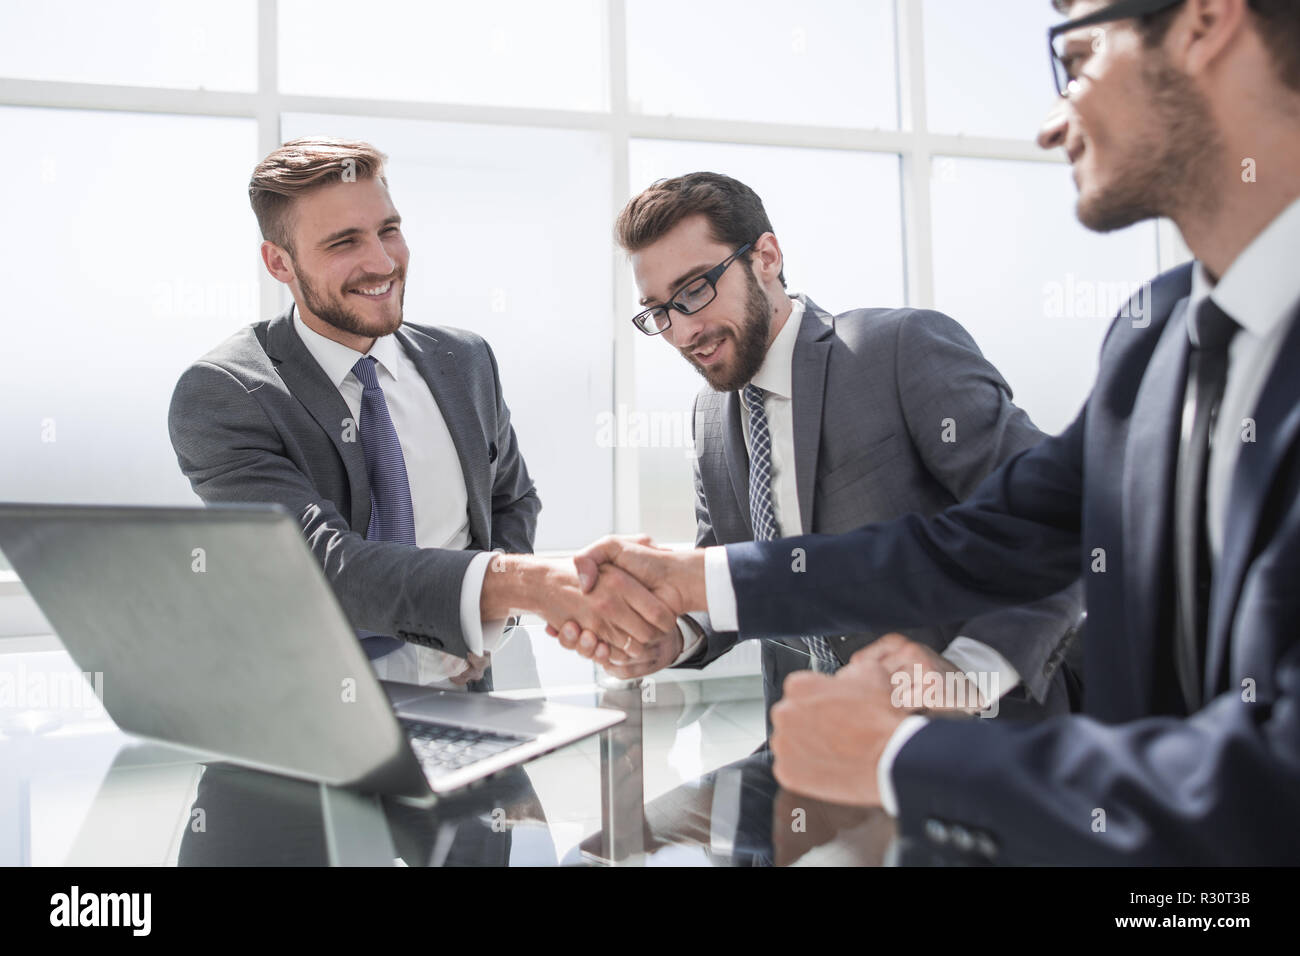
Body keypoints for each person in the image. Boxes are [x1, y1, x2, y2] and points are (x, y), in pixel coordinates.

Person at [568, 0, 1300, 864]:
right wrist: (686, 586)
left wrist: (909, 750)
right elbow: (976, 543)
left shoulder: (898, 349)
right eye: (661, 311)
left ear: (1206, 22)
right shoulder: (1154, 337)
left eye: (1077, 55)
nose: (1051, 121)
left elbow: (1269, 782)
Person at [558, 171, 1083, 730]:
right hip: (809, 754)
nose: (683, 332)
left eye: (694, 290)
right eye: (659, 310)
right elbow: (726, 571)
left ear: (766, 257)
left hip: (977, 751)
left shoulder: (899, 350)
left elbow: (1056, 524)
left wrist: (965, 675)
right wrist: (674, 639)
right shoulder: (710, 415)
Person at [168, 137, 677, 689]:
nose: (382, 262)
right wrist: (524, 586)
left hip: (473, 691)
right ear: (279, 263)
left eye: (388, 230)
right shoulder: (226, 393)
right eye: (344, 242)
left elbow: (512, 499)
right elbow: (317, 565)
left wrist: (488, 622)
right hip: (309, 711)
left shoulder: (465, 360)